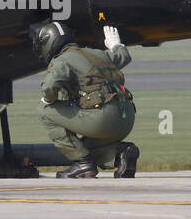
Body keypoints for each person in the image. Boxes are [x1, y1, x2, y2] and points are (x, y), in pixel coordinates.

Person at [32, 21, 139, 178]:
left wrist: (48, 100)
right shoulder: (96, 53)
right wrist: (116, 45)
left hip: (102, 119)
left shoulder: (63, 60)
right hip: (126, 118)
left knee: (44, 111)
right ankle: (121, 153)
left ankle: (83, 165)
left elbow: (49, 88)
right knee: (84, 147)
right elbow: (123, 56)